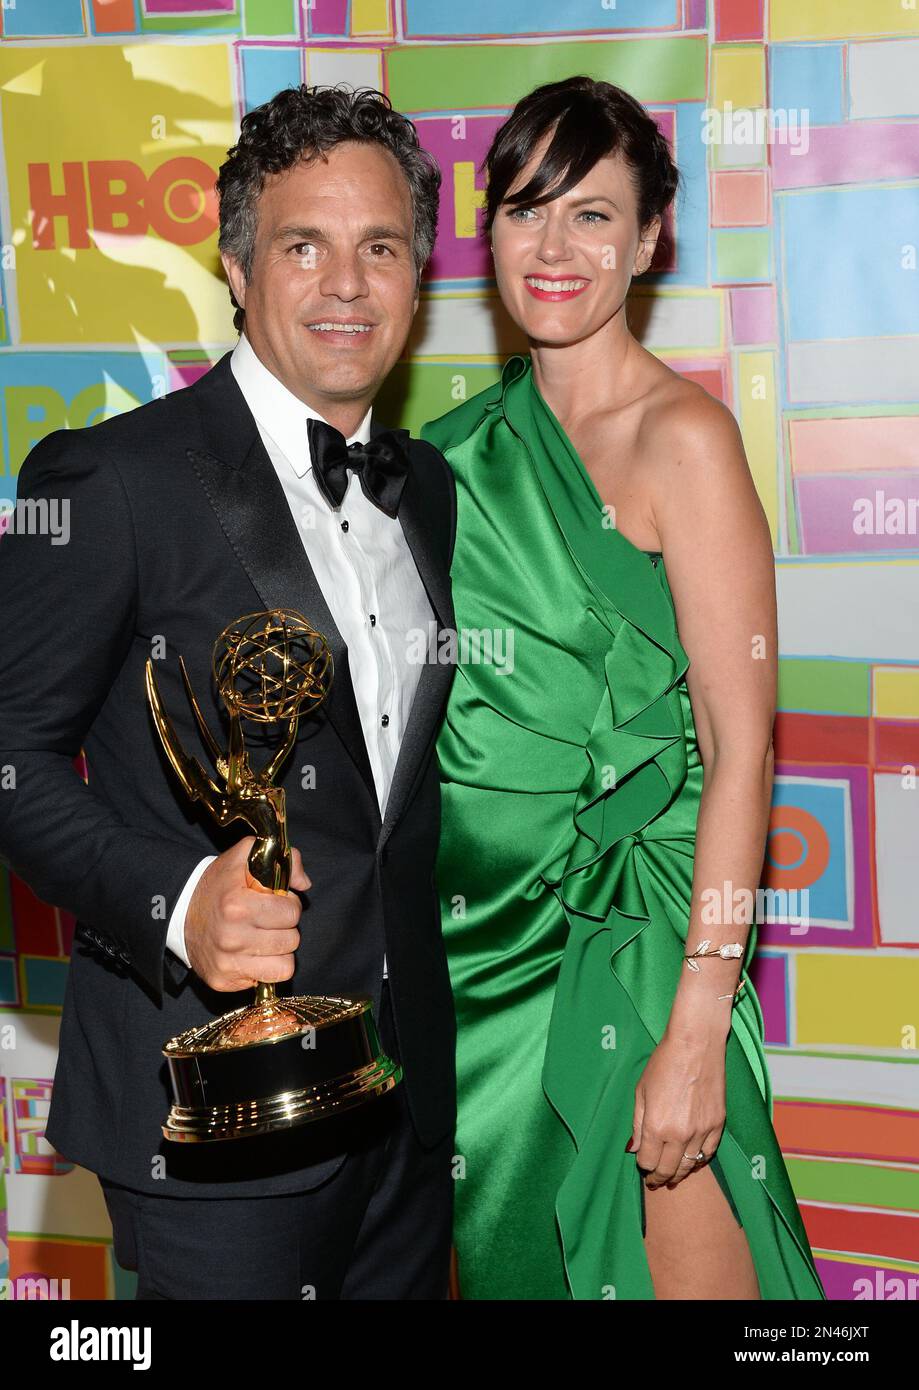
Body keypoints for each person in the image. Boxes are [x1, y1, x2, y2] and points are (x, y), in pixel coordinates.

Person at [0, 84, 458, 1300]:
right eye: (304, 246)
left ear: (418, 276)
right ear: (239, 267)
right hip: (214, 1113)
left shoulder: (432, 493)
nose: (346, 285)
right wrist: (179, 896)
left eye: (380, 249)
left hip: (401, 1115)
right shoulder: (112, 479)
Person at [422, 76, 827, 1301]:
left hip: (638, 946)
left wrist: (700, 1018)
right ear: (484, 226)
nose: (552, 248)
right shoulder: (445, 457)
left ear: (651, 238)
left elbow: (738, 749)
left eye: (592, 215)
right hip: (477, 957)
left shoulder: (683, 440)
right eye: (524, 208)